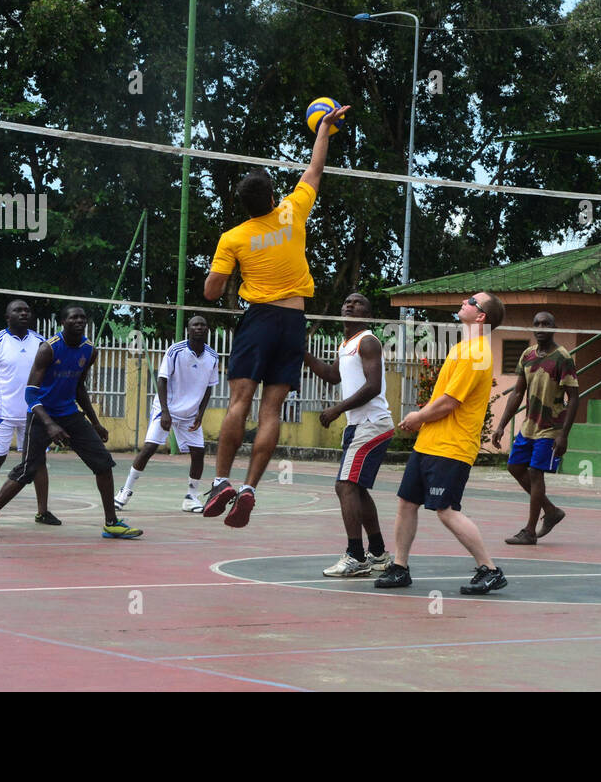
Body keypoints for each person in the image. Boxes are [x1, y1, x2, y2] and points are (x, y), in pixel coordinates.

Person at [200, 102, 351, 528]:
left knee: (238, 402)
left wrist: (225, 270)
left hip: (260, 319)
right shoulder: (291, 211)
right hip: (293, 323)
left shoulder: (233, 237)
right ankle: (249, 488)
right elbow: (315, 170)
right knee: (270, 412)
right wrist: (323, 128)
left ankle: (221, 482)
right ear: (270, 198)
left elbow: (211, 293)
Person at [374, 292, 508, 595]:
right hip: (430, 444)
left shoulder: (476, 353)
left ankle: (490, 569)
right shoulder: (463, 348)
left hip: (452, 446)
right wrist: (423, 424)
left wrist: (418, 417)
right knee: (407, 503)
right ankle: (400, 567)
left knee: (445, 509)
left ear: (481, 316)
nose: (465, 301)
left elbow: (449, 402)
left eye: (472, 301)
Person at [0, 305, 141, 540]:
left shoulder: (88, 349)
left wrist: (94, 422)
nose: (79, 321)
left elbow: (79, 387)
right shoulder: (44, 348)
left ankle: (109, 522)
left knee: (102, 464)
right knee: (4, 465)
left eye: (83, 317)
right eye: (74, 317)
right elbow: (28, 392)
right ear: (63, 322)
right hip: (23, 413)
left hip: (67, 414)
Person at [303, 292, 396, 577]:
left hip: (372, 423)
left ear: (367, 315)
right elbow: (332, 375)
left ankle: (356, 556)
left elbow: (373, 386)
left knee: (344, 486)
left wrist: (335, 410)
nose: (349, 305)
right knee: (355, 488)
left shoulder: (367, 342)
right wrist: (303, 353)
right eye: (347, 302)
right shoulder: (346, 345)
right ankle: (378, 553)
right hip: (360, 424)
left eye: (358, 303)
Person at [115, 315, 220, 513]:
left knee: (198, 453)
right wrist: (164, 412)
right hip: (167, 410)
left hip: (190, 414)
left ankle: (191, 497)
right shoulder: (175, 351)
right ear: (188, 329)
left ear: (207, 330)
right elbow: (162, 380)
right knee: (149, 449)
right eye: (195, 324)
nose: (199, 327)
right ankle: (124, 492)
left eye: (203, 325)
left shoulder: (212, 356)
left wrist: (200, 414)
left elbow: (209, 387)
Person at [491, 310, 579, 545]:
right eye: (537, 323)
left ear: (553, 327)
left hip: (551, 428)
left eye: (546, 323)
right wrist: (501, 426)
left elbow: (574, 397)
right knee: (514, 467)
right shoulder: (527, 355)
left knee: (534, 472)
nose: (541, 327)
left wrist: (564, 435)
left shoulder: (563, 358)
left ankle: (529, 531)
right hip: (530, 426)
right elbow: (518, 392)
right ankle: (551, 511)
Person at [0, 300, 58, 525]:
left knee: (38, 461)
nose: (23, 313)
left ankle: (43, 511)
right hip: (2, 413)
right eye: (17, 310)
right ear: (6, 316)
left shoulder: (42, 343)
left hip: (33, 413)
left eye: (27, 310)